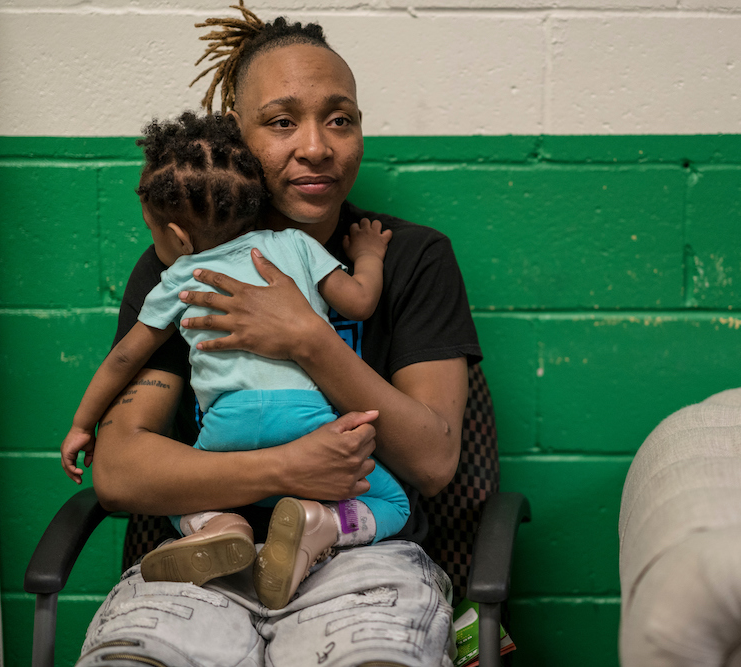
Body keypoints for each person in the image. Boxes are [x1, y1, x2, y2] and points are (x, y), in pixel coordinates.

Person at [79, 1, 481, 665]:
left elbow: (434, 461)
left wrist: (307, 338)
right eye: (282, 121)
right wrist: (282, 469)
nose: (317, 146)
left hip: (361, 556)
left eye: (340, 119)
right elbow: (118, 471)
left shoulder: (409, 257)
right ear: (239, 135)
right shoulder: (183, 266)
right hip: (207, 561)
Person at [59, 111, 409, 611]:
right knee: (392, 502)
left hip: (227, 427)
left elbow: (123, 360)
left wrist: (81, 423)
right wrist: (370, 255)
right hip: (306, 422)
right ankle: (321, 524)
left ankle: (221, 526)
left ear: (177, 238)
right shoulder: (294, 244)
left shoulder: (178, 276)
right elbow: (358, 302)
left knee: (182, 493)